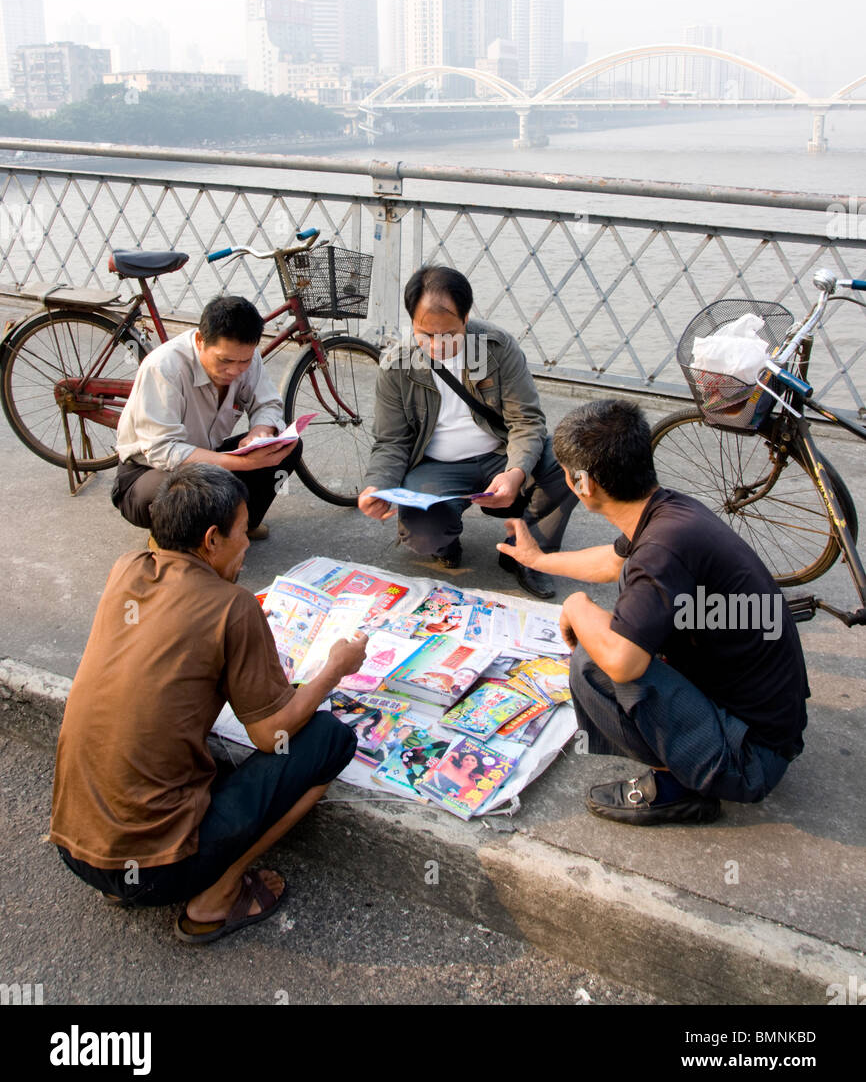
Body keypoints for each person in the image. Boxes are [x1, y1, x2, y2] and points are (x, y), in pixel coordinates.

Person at [49, 464, 366, 943]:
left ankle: (122, 883)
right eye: (242, 532)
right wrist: (334, 670)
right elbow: (270, 734)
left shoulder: (126, 571)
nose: (247, 544)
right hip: (160, 871)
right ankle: (215, 897)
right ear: (212, 539)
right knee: (329, 739)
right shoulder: (232, 606)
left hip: (73, 851)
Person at [495, 398, 809, 824]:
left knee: (595, 661)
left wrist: (576, 604)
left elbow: (622, 663)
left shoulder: (662, 549)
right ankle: (691, 745)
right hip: (766, 721)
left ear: (583, 484)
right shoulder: (667, 512)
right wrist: (536, 560)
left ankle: (681, 787)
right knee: (625, 593)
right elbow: (611, 561)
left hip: (751, 757)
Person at [357, 265, 577, 600]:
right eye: (424, 334)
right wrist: (378, 486)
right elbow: (391, 441)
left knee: (567, 463)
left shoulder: (496, 348)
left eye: (448, 335)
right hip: (437, 467)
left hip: (500, 454)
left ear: (466, 318)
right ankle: (446, 539)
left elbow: (527, 421)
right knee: (422, 536)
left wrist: (516, 473)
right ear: (411, 322)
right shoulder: (398, 364)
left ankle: (528, 553)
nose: (436, 346)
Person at [112, 294, 302, 540]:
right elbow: (163, 450)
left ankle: (241, 528)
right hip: (146, 473)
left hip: (210, 456)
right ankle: (171, 542)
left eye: (243, 361)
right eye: (224, 361)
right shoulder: (164, 367)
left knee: (287, 448)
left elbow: (268, 404)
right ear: (200, 341)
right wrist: (242, 463)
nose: (234, 370)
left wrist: (261, 432)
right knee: (195, 489)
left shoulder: (247, 356)